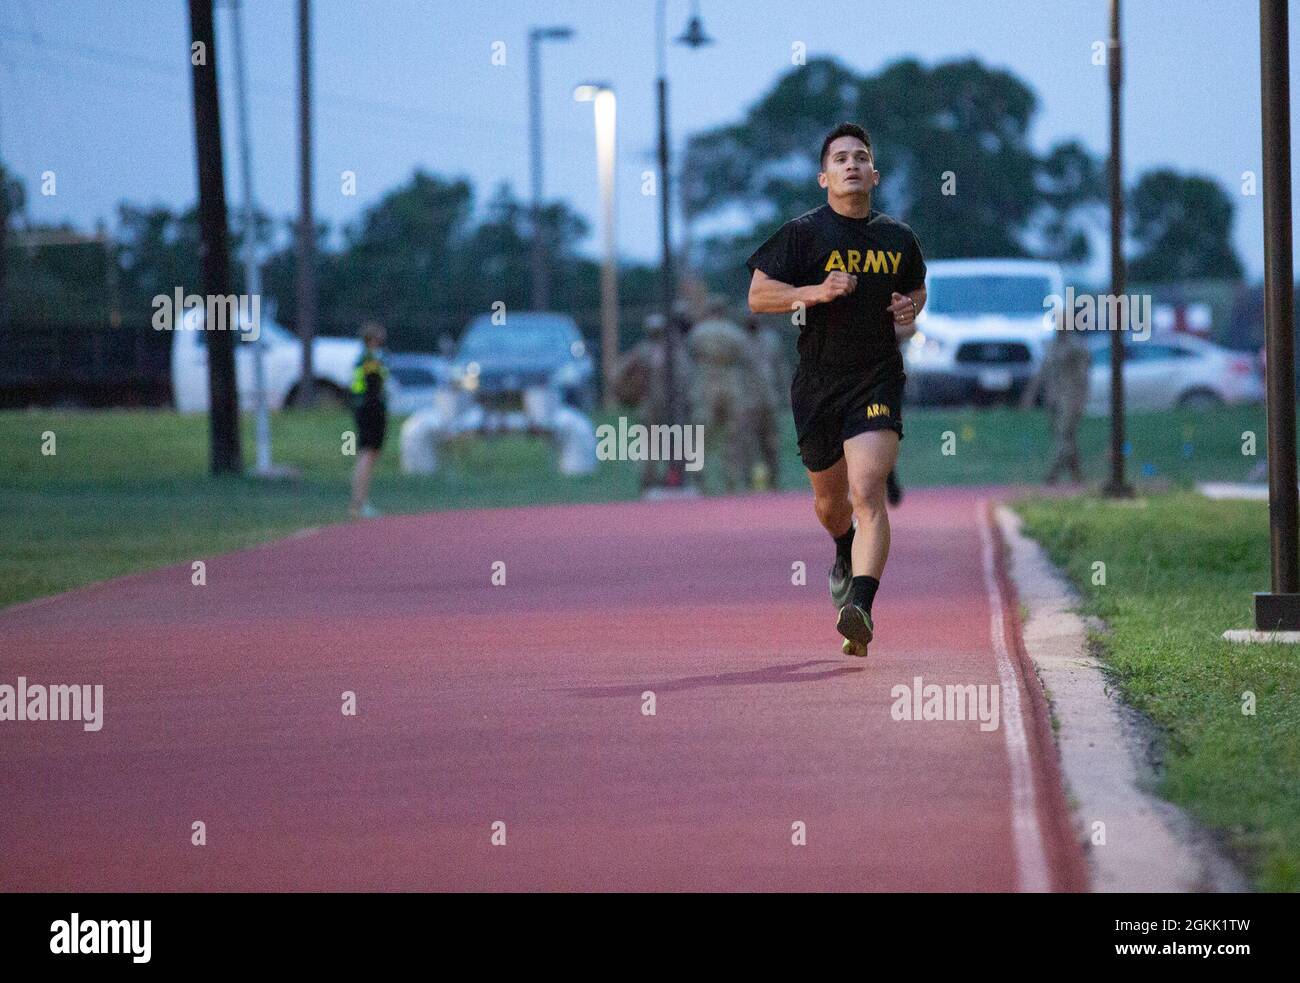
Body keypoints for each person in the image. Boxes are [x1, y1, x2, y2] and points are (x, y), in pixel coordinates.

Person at [747, 122, 927, 657]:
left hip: (875, 376)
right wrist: (816, 291)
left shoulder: (898, 238)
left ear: (874, 174)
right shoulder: (802, 234)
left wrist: (909, 308)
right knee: (830, 503)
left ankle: (861, 609)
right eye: (841, 158)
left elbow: (916, 287)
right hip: (817, 384)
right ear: (824, 177)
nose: (852, 164)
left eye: (861, 157)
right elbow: (758, 295)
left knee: (867, 490)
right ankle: (843, 549)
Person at [613, 311, 692, 490]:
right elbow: (685, 379)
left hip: (649, 405)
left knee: (649, 447)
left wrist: (627, 393)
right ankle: (676, 479)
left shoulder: (641, 351)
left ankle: (648, 482)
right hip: (672, 406)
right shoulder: (676, 351)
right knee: (677, 444)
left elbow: (617, 374)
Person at [688, 296, 751, 493]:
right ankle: (732, 482)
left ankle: (699, 482)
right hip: (730, 383)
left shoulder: (698, 331)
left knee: (700, 436)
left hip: (705, 382)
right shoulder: (734, 332)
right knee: (733, 435)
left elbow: (691, 350)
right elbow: (744, 353)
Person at [1020, 310, 1089, 484]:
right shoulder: (1051, 346)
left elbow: (1083, 377)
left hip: (1070, 397)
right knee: (1066, 436)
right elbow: (1042, 373)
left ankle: (1052, 474)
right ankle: (1076, 474)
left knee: (1063, 434)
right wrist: (1030, 394)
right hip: (1054, 397)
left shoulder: (1077, 347)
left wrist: (1080, 400)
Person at [741, 314, 790, 490]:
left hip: (769, 398)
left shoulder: (771, 339)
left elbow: (780, 368)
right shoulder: (739, 341)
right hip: (747, 400)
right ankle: (747, 481)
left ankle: (774, 481)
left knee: (771, 442)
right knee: (747, 443)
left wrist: (786, 393)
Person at [348, 321, 389, 519]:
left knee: (368, 455)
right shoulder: (370, 360)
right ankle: (359, 502)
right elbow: (374, 388)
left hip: (364, 409)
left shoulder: (365, 359)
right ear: (372, 340)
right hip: (369, 411)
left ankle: (360, 500)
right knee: (367, 454)